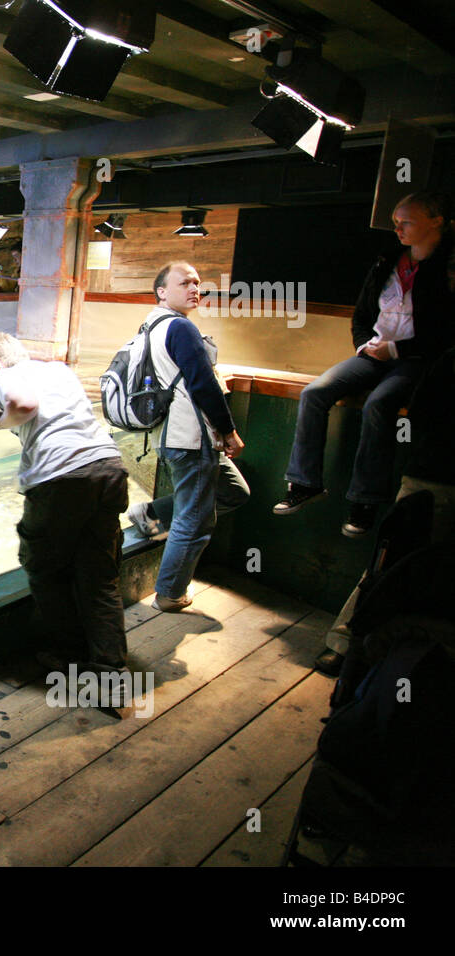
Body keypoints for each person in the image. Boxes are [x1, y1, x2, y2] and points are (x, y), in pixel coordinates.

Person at [274, 192, 455, 536]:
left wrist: (397, 350)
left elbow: (446, 332)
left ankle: (365, 501)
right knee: (314, 393)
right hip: (373, 355)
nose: (398, 228)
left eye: (407, 222)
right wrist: (364, 347)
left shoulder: (447, 265)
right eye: (396, 222)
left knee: (379, 404)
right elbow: (361, 316)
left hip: (415, 361)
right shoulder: (387, 260)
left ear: (436, 221)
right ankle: (304, 483)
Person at [0, 332, 131, 703]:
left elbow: (25, 405)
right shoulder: (59, 370)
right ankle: (111, 674)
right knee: (100, 573)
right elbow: (49, 415)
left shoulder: (5, 375)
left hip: (61, 478)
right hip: (107, 467)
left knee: (42, 566)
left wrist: (2, 420)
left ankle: (68, 655)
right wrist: (5, 418)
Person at [313, 343, 455, 676]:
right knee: (390, 563)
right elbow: (421, 412)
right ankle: (347, 645)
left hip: (434, 474)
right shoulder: (448, 358)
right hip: (434, 476)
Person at [140, 261, 245, 612]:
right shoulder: (180, 328)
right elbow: (204, 384)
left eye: (197, 283)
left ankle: (151, 514)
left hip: (170, 437)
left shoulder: (149, 327)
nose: (194, 288)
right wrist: (229, 431)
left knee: (234, 492)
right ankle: (169, 594)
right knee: (193, 521)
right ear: (162, 291)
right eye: (184, 282)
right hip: (191, 438)